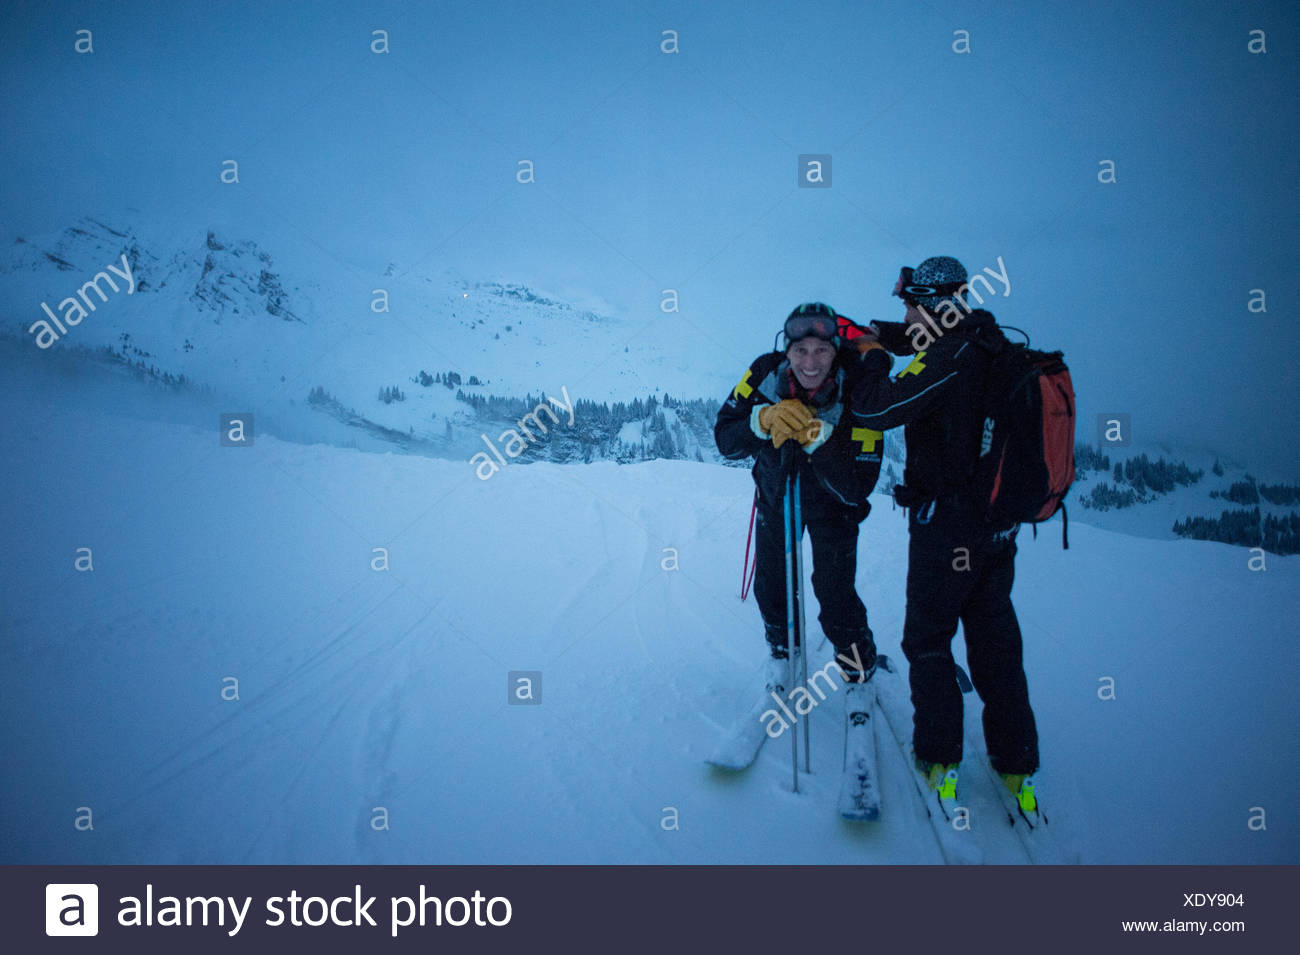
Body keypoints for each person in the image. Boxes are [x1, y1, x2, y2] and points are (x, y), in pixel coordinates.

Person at [850, 256, 1039, 807]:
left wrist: (869, 359)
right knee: (995, 641)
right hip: (998, 526)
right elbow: (919, 343)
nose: (905, 313)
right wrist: (878, 334)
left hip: (949, 527)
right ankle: (1016, 762)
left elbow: (876, 408)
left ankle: (939, 758)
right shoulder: (987, 341)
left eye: (910, 304)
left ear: (934, 305)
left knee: (928, 638)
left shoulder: (947, 357)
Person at [714, 303, 883, 694]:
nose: (811, 362)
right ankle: (782, 652)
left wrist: (819, 441)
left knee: (836, 594)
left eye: (821, 351)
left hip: (835, 509)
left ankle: (858, 669)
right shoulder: (763, 373)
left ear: (836, 350)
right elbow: (725, 437)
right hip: (777, 496)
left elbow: (859, 485)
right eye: (801, 350)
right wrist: (762, 420)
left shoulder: (858, 387)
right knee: (772, 586)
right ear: (786, 350)